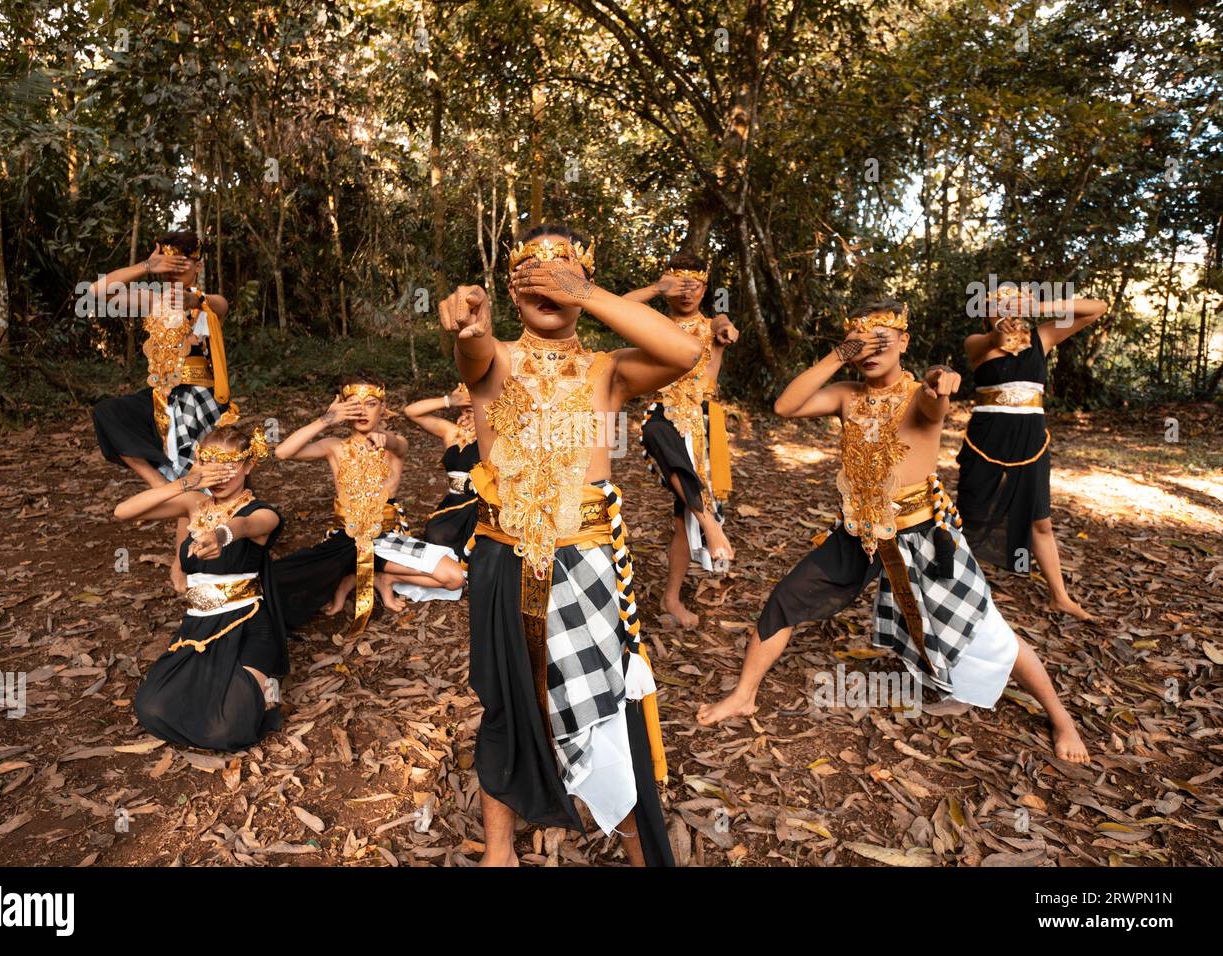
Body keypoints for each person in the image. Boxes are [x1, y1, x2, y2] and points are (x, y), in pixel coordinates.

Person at [697, 299, 1089, 764]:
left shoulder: (917, 393)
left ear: (904, 340)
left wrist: (940, 383)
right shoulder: (847, 394)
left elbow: (933, 399)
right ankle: (744, 695)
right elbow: (785, 405)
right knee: (784, 599)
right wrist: (838, 355)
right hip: (858, 533)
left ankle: (1062, 719)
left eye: (881, 338)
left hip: (924, 537)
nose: (869, 349)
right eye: (859, 341)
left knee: (986, 630)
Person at [440, 221, 705, 867]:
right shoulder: (495, 359)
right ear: (512, 283)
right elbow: (472, 356)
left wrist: (586, 295)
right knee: (503, 701)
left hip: (582, 566)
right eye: (532, 265)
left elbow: (683, 353)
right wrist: (469, 329)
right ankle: (499, 853)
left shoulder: (608, 372)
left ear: (582, 275)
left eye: (563, 265)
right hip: (502, 558)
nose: (547, 275)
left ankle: (642, 845)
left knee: (606, 715)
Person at [113, 425, 287, 751]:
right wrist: (187, 482)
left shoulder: (263, 513)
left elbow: (245, 525)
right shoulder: (194, 504)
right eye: (211, 466)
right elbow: (122, 512)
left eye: (230, 467)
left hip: (248, 625)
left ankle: (267, 686)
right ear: (199, 462)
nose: (220, 477)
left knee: (224, 731)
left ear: (249, 465)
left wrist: (220, 536)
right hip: (197, 625)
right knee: (152, 709)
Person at [90, 230, 236, 592]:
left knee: (197, 483)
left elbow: (216, 306)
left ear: (198, 266)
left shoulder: (206, 301)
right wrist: (146, 266)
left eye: (181, 267)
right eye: (167, 269)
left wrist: (187, 297)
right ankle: (161, 486)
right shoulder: (151, 299)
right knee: (108, 413)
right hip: (160, 396)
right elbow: (96, 293)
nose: (173, 276)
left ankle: (180, 563)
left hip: (197, 400)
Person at [956, 287, 1108, 621]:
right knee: (970, 517)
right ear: (986, 313)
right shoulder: (977, 343)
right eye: (998, 304)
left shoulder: (1043, 337)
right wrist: (1000, 331)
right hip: (986, 444)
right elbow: (989, 342)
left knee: (1040, 520)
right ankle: (960, 595)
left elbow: (1097, 308)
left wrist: (1042, 305)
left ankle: (1060, 597)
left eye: (1013, 303)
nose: (1007, 310)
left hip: (1031, 444)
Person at [272, 377, 465, 634]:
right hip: (347, 540)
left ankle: (382, 577)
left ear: (383, 409)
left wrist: (384, 436)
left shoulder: (395, 445)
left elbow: (398, 444)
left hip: (386, 539)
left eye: (371, 403)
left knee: (454, 579)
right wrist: (327, 419)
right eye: (353, 405)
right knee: (281, 579)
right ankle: (349, 573)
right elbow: (282, 452)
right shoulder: (334, 447)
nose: (362, 410)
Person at [624, 254, 739, 627]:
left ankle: (670, 599)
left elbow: (722, 321)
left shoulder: (713, 325)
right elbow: (618, 307)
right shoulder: (655, 326)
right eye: (680, 285)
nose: (688, 292)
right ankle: (713, 528)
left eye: (696, 285)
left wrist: (724, 324)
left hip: (705, 425)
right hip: (664, 416)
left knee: (681, 517)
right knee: (659, 435)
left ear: (705, 288)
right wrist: (658, 288)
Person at [403, 383, 479, 559]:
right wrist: (449, 401)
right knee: (436, 530)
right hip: (453, 502)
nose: (468, 412)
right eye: (464, 408)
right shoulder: (451, 432)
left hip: (481, 503)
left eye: (473, 406)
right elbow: (411, 412)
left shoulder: (493, 433)